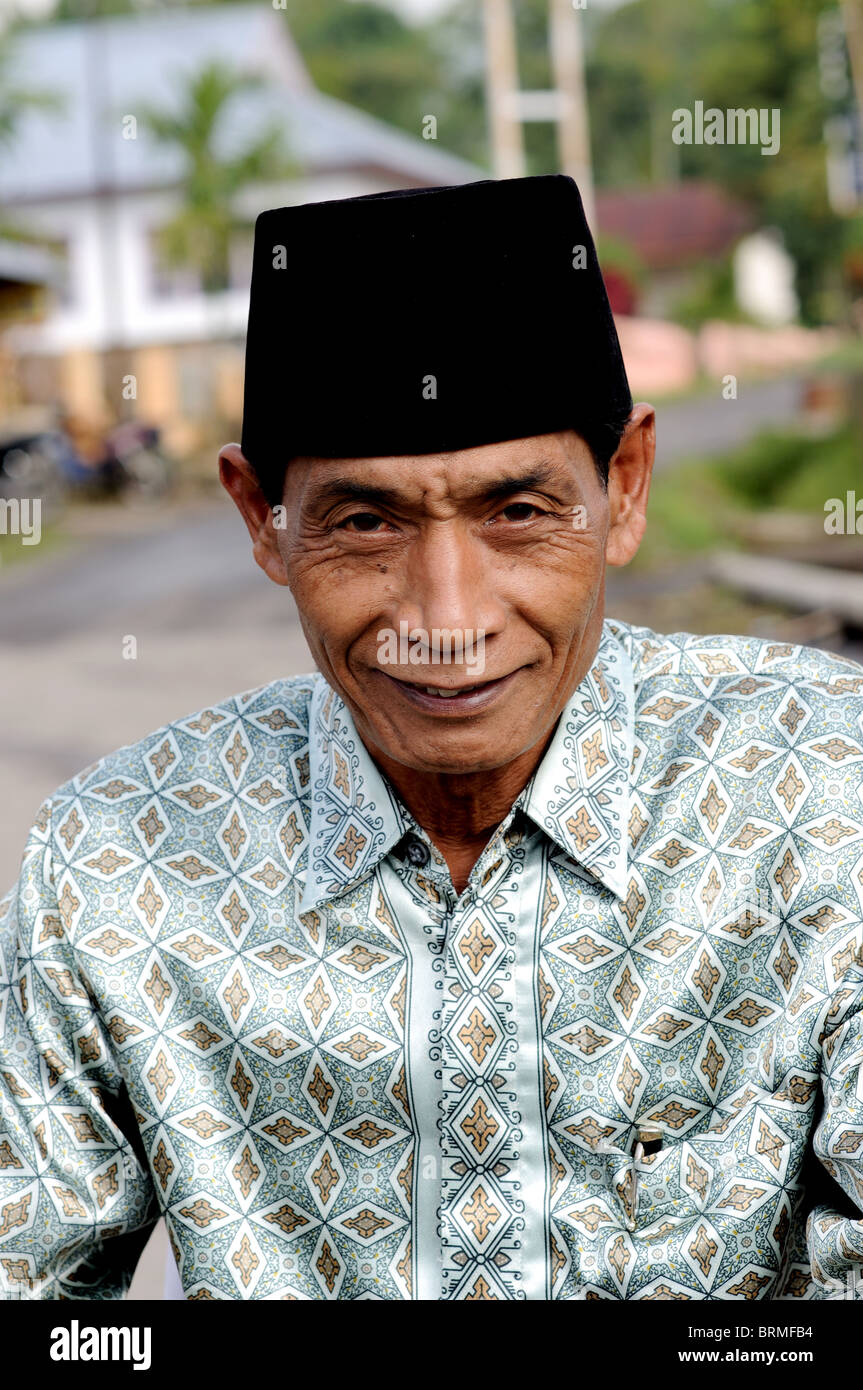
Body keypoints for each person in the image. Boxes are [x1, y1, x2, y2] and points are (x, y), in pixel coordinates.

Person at [1, 175, 861, 1302]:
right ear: (262, 518)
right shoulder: (114, 866)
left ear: (626, 485)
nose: (446, 620)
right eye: (365, 522)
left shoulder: (822, 788)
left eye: (515, 511)